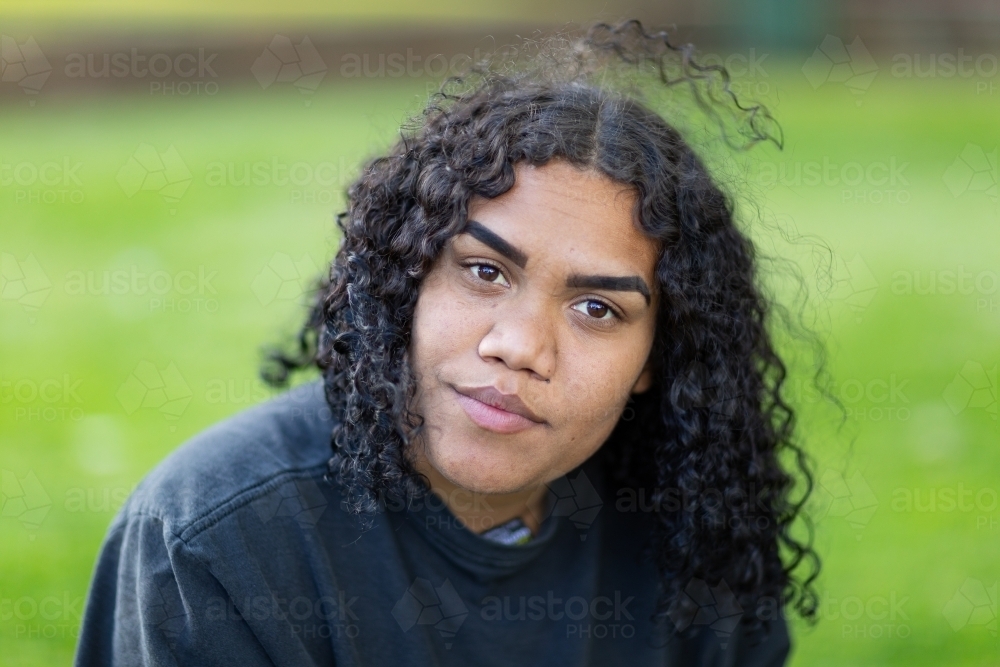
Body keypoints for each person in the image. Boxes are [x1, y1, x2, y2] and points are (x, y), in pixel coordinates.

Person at [75, 20, 819, 667]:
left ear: (656, 358)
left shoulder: (693, 529)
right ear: (409, 278)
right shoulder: (220, 539)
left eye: (596, 308)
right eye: (485, 271)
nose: (519, 345)